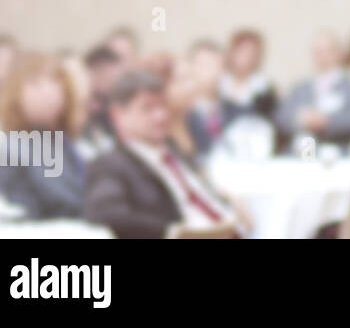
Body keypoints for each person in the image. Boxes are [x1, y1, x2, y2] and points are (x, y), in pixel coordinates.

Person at [83, 70, 244, 239]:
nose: (161, 116)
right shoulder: (111, 165)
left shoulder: (173, 152)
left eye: (162, 106)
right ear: (118, 115)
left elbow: (205, 195)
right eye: (148, 108)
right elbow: (104, 213)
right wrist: (171, 231)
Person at [0, 51, 90, 219]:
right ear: (15, 93)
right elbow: (16, 216)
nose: (49, 91)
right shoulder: (6, 151)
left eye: (55, 81)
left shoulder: (71, 147)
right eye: (35, 83)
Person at [275, 30, 350, 151]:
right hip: (302, 154)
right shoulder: (300, 88)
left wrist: (327, 121)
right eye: (318, 52)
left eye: (328, 51)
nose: (322, 56)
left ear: (339, 53)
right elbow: (281, 118)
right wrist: (302, 119)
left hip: (339, 153)